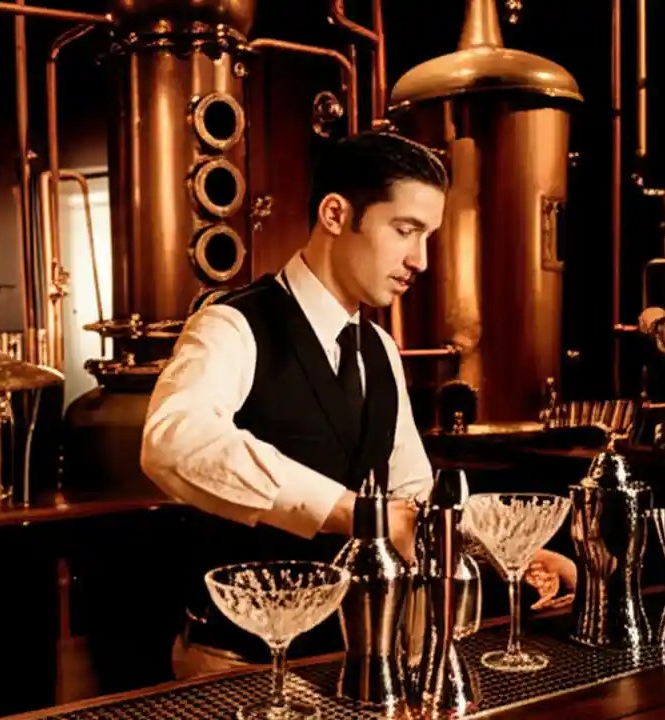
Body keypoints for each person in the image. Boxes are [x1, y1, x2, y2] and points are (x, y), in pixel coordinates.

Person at [140, 131, 574, 680]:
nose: (419, 260)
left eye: (428, 237)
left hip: (354, 654)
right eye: (405, 230)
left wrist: (511, 554)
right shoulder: (233, 325)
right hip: (239, 663)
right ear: (335, 213)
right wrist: (352, 511)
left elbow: (411, 497)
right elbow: (173, 442)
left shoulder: (380, 350)